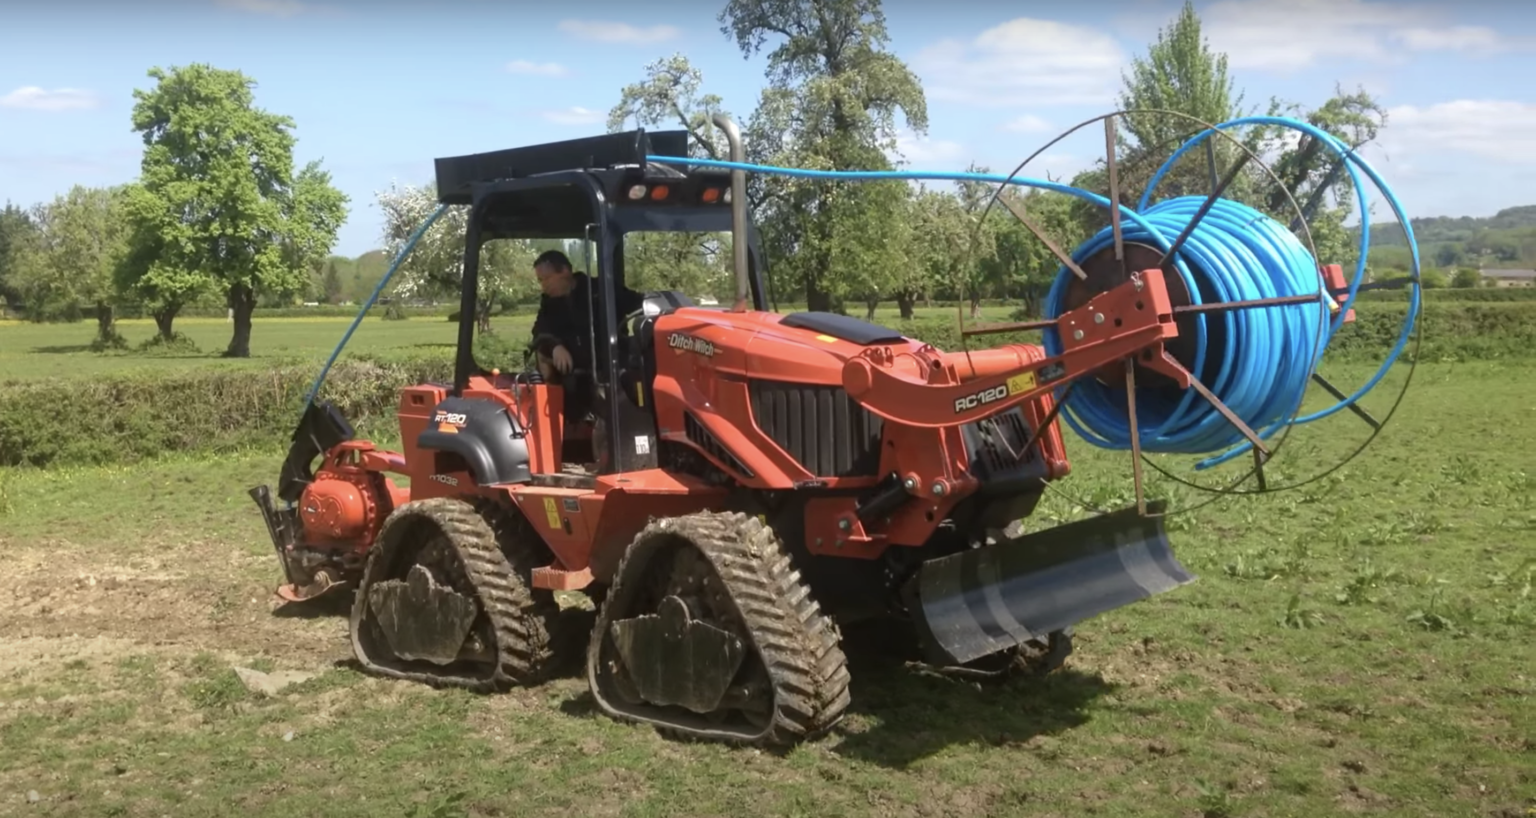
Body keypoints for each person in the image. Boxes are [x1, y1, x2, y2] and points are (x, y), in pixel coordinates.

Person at [528, 250, 642, 414]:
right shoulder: (549, 304)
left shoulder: (601, 290)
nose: (543, 285)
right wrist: (555, 346)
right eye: (540, 280)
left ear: (565, 272)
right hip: (574, 376)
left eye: (546, 279)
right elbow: (539, 331)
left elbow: (638, 304)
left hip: (611, 372)